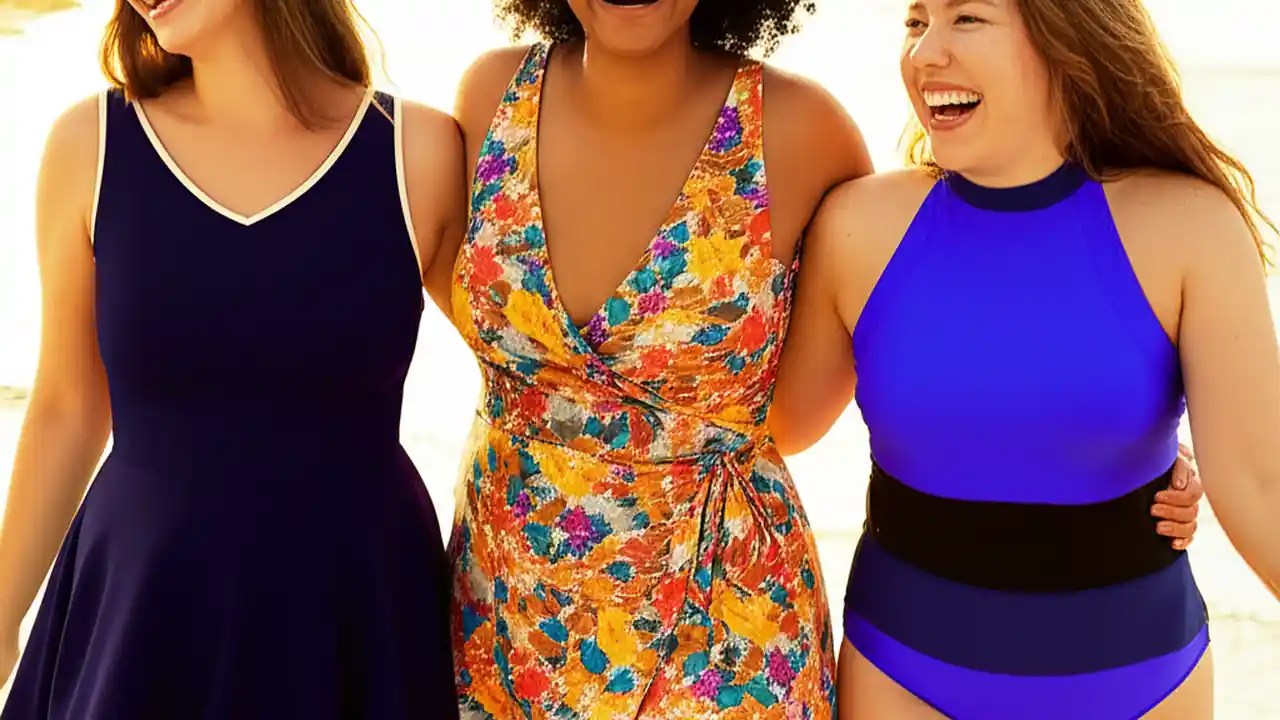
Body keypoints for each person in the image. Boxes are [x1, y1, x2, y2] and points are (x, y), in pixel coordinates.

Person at [769, 0, 1279, 717]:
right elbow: (763, 433)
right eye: (915, 23)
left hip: (1141, 687)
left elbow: (1261, 488)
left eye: (966, 19)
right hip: (903, 680)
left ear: (1065, 35)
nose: (924, 54)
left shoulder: (1190, 228)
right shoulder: (859, 227)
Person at [0, 0, 465, 716]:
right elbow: (66, 407)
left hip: (352, 616)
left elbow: (528, 364)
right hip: (141, 615)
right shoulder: (89, 147)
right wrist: (1, 619)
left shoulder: (419, 152)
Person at [440, 0, 870, 716]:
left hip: (722, 644)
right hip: (503, 622)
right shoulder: (489, 97)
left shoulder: (803, 132)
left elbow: (801, 410)